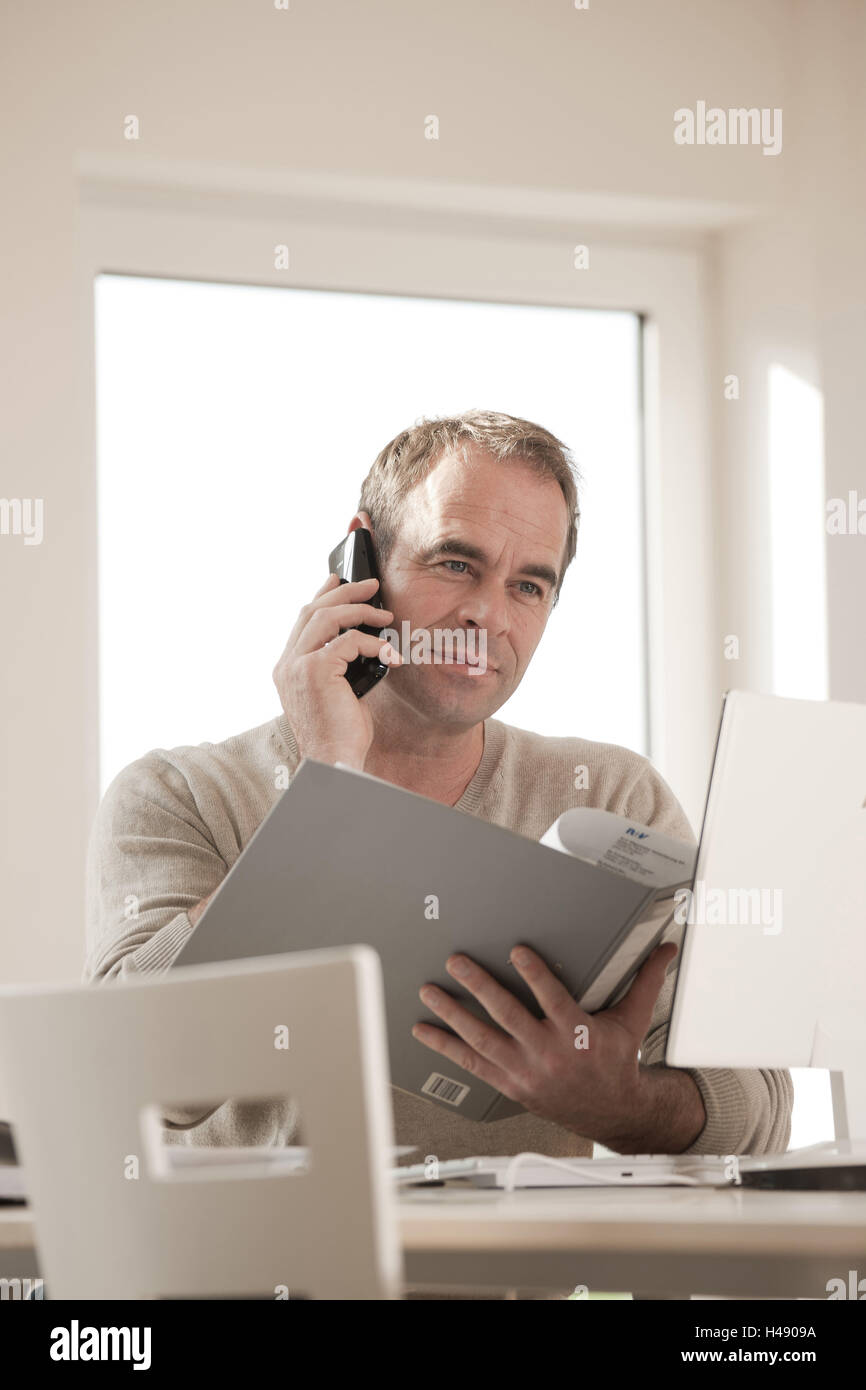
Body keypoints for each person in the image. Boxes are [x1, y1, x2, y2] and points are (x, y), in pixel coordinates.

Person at [84, 410, 793, 1297]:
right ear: (361, 564)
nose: (487, 616)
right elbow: (125, 1083)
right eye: (457, 562)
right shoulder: (178, 795)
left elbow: (761, 1116)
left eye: (530, 586)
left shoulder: (611, 798)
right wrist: (325, 790)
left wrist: (615, 1100)